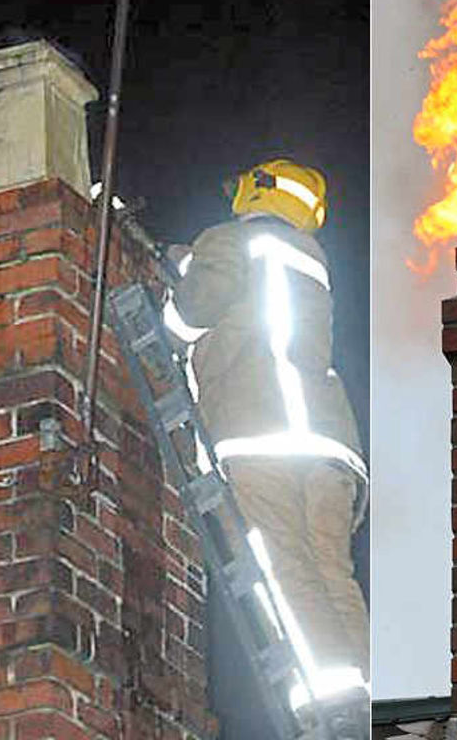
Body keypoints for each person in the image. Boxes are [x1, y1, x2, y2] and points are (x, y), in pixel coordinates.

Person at [163, 158, 370, 706]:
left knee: (282, 569)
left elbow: (199, 306)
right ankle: (360, 694)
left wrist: (180, 284)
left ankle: (329, 707)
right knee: (332, 574)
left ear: (257, 194)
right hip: (328, 450)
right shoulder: (312, 261)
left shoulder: (229, 240)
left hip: (259, 442)